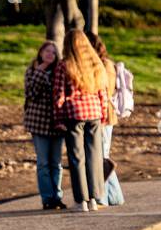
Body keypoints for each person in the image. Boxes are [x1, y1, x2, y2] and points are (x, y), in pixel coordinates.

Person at [54, 29, 108, 212]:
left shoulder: (64, 65)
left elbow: (58, 95)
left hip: (74, 114)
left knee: (77, 158)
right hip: (94, 112)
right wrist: (104, 112)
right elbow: (103, 91)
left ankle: (81, 201)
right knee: (94, 156)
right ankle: (94, 198)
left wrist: (58, 118)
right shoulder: (96, 64)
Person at [24, 41, 65, 210]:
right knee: (43, 163)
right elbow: (31, 93)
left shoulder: (59, 72)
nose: (50, 54)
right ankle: (47, 198)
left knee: (56, 163)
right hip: (38, 123)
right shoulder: (32, 70)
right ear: (40, 52)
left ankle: (57, 196)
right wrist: (40, 73)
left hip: (57, 123)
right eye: (47, 51)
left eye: (53, 53)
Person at [89, 33, 126, 207]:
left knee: (100, 157)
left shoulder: (100, 66)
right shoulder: (109, 64)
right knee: (102, 155)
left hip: (102, 114)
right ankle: (113, 196)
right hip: (109, 114)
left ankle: (105, 196)